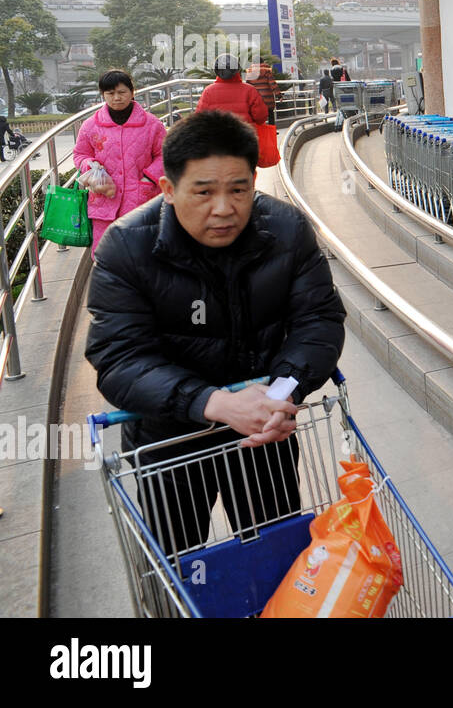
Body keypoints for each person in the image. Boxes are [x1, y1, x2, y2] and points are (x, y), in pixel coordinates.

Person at [84, 110, 346, 557]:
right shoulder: (127, 247)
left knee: (274, 552)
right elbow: (118, 358)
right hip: (171, 438)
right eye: (203, 192)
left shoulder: (287, 230)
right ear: (168, 190)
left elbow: (318, 320)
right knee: (178, 559)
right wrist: (214, 403)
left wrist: (282, 392)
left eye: (239, 190)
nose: (224, 208)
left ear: (254, 182)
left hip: (265, 430)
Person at [71, 69, 167, 252]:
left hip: (142, 200)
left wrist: (149, 178)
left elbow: (165, 155)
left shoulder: (152, 124)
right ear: (103, 95)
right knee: (105, 254)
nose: (116, 98)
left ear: (132, 92)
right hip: (104, 200)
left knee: (143, 252)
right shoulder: (90, 125)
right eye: (110, 93)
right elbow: (80, 155)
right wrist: (89, 165)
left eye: (122, 92)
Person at [195, 53, 267, 125]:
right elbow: (261, 117)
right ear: (237, 69)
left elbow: (199, 118)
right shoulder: (250, 90)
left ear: (217, 71)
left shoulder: (208, 91)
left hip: (215, 135)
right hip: (245, 134)